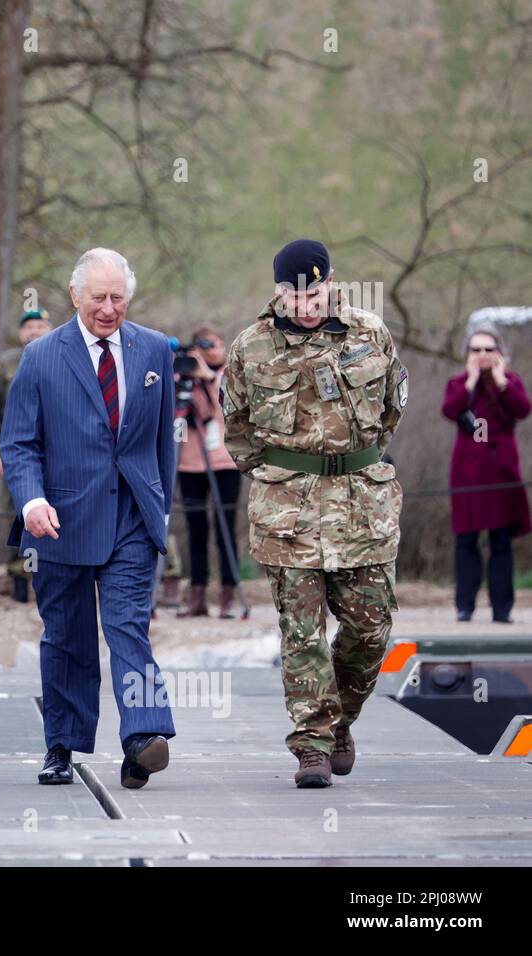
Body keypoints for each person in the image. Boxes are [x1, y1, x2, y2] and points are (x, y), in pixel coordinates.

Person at [223, 238, 407, 788]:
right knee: (301, 633)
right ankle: (312, 745)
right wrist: (285, 474)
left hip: (361, 506)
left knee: (370, 631)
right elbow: (238, 432)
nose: (306, 303)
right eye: (294, 294)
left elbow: (393, 410)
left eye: (315, 291)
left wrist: (353, 461)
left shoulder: (370, 333)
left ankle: (340, 719)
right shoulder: (251, 347)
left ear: (332, 283)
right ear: (278, 291)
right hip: (288, 511)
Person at [0, 247, 176, 790]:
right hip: (61, 518)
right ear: (74, 296)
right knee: (67, 636)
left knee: (129, 626)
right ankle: (62, 744)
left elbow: (161, 440)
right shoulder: (41, 357)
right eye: (97, 297)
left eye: (117, 297)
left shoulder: (152, 350)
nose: (107, 308)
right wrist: (30, 501)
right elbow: (19, 443)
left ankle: (143, 737)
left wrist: (160, 507)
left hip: (131, 516)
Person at [442, 326, 530, 623]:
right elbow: (450, 411)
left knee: (501, 541)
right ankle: (465, 606)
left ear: (499, 353)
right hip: (467, 474)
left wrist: (502, 382)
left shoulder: (510, 383)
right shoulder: (458, 384)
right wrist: (471, 381)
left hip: (502, 473)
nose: (482, 355)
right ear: (467, 354)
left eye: (488, 349)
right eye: (476, 349)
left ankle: (502, 609)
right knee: (466, 541)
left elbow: (522, 409)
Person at [0, 310, 52, 602]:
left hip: (55, 453)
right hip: (18, 452)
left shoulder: (61, 356)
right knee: (18, 511)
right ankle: (18, 580)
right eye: (29, 326)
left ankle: (48, 576)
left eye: (40, 325)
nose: (34, 331)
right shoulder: (7, 364)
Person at [175, 326, 241, 618]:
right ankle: (197, 597)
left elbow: (227, 408)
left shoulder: (231, 371)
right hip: (190, 463)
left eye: (214, 345)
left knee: (225, 528)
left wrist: (209, 378)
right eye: (204, 346)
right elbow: (183, 412)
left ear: (223, 345)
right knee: (196, 531)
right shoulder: (185, 374)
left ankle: (228, 596)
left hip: (224, 462)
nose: (210, 351)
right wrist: (183, 378)